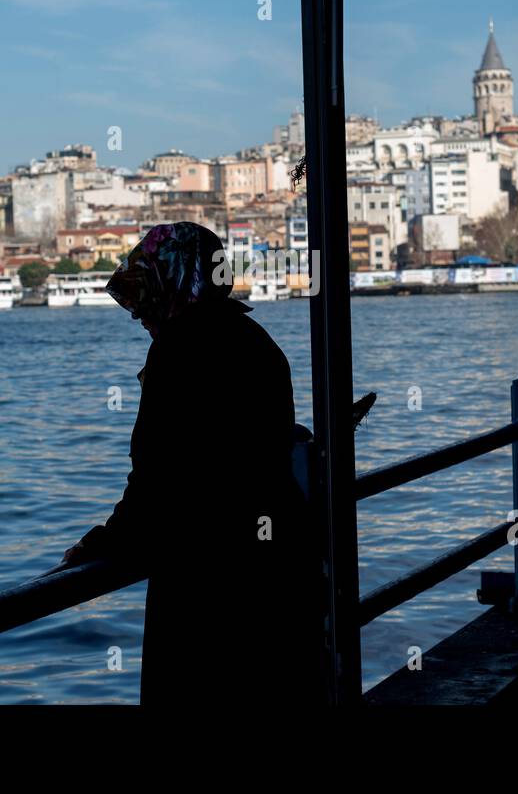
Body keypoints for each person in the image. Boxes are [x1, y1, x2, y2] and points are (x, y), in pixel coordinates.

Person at [61, 222, 323, 704]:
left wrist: (104, 540)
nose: (139, 313)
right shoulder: (255, 340)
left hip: (212, 582)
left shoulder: (179, 352)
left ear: (176, 279)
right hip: (279, 565)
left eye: (146, 293)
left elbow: (158, 478)